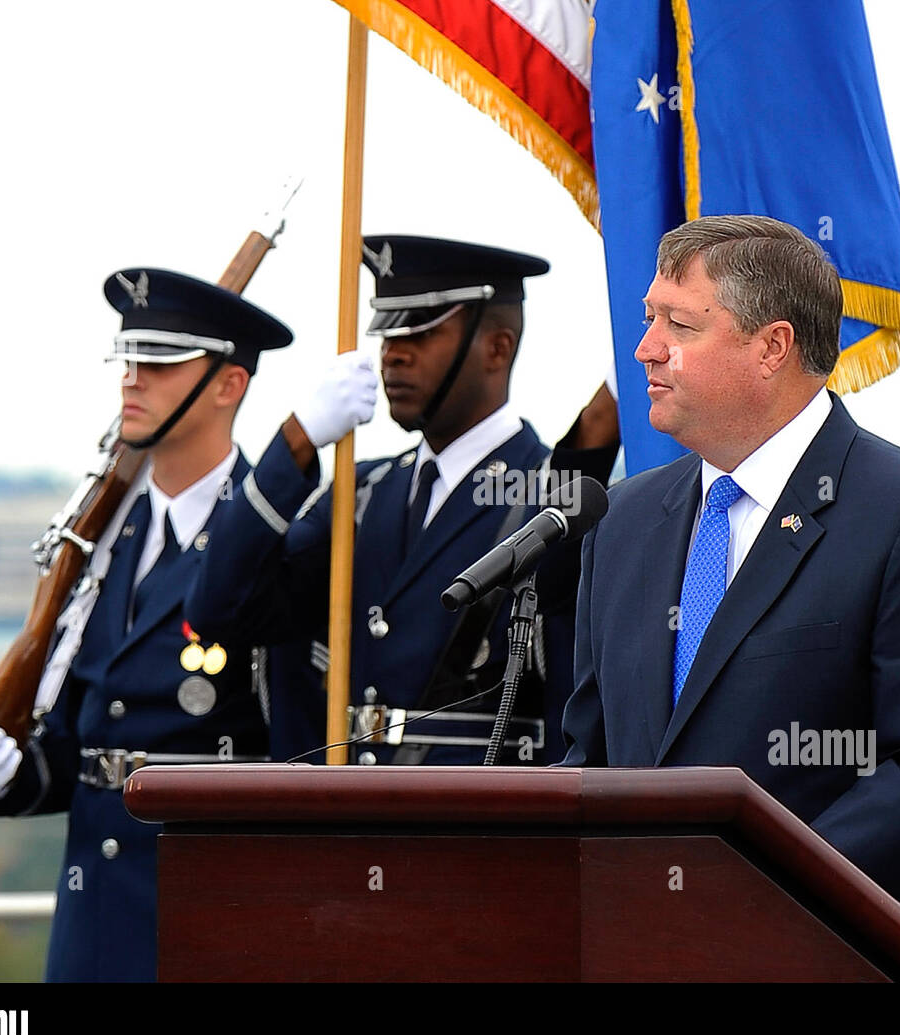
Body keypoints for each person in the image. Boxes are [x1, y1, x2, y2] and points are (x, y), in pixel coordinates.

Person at [560, 215, 900, 983]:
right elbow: (593, 759)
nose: (645, 348)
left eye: (678, 323)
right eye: (649, 319)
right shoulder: (624, 523)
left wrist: (754, 886)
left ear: (772, 346)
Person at [0, 268, 293, 982]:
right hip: (93, 924)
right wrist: (5, 772)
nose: (132, 379)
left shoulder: (275, 539)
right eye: (129, 360)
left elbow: (296, 746)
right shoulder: (100, 541)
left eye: (160, 362)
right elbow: (80, 739)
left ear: (229, 385)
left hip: (210, 919)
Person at [188, 235, 619, 766]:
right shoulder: (364, 494)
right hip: (350, 828)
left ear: (497, 348)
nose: (393, 352)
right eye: (388, 331)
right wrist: (296, 442)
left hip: (479, 831)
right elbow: (220, 609)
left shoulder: (549, 494)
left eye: (421, 332)